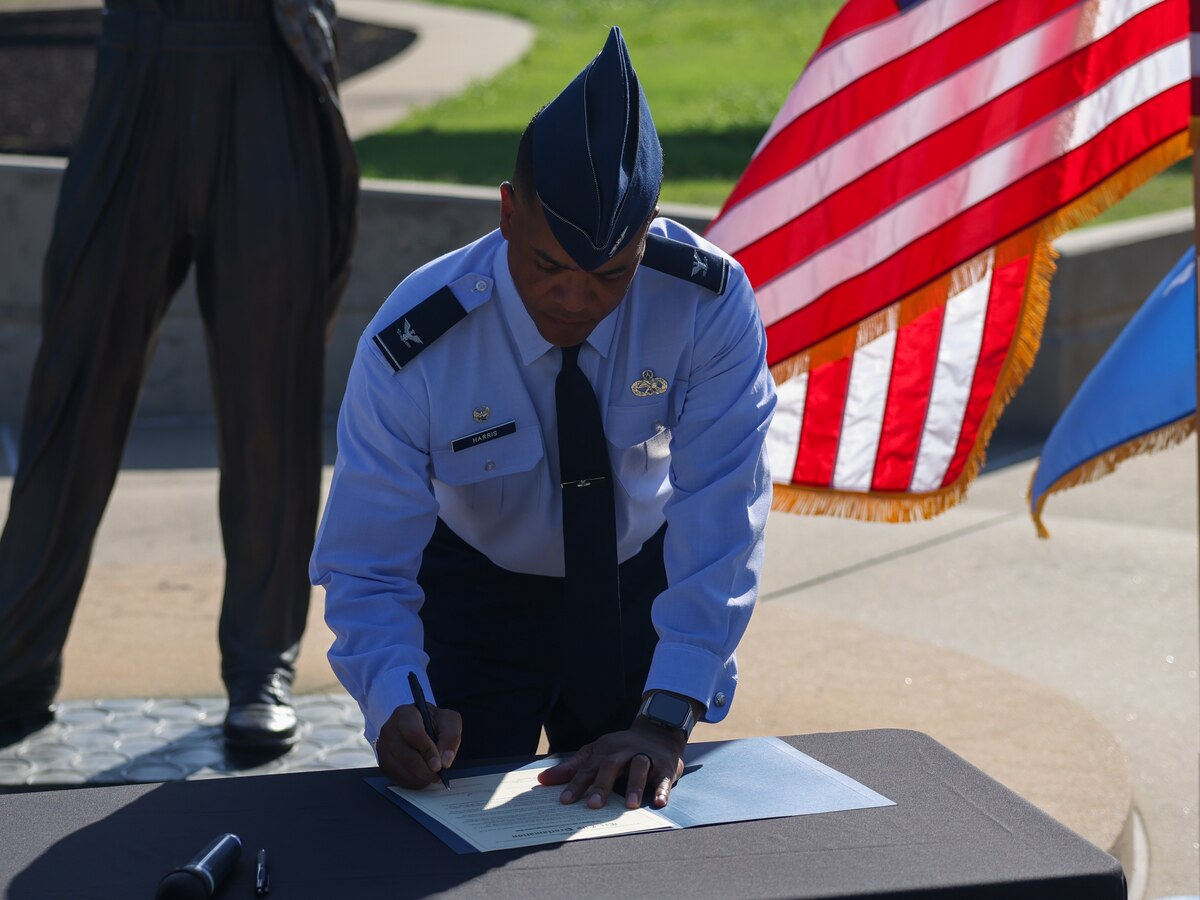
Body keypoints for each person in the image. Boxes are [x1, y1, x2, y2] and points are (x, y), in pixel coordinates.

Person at [311, 26, 774, 809]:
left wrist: (668, 714)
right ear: (506, 213)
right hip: (473, 598)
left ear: (648, 234)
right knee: (445, 822)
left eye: (611, 275)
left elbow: (724, 512)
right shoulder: (417, 341)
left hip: (636, 592)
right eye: (548, 265)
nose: (575, 299)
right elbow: (367, 557)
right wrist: (393, 698)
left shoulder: (706, 303)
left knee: (630, 823)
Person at [0, 0, 359, 752]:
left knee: (271, 401)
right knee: (75, 382)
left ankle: (262, 664)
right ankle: (15, 658)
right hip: (140, 54)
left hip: (268, 64)